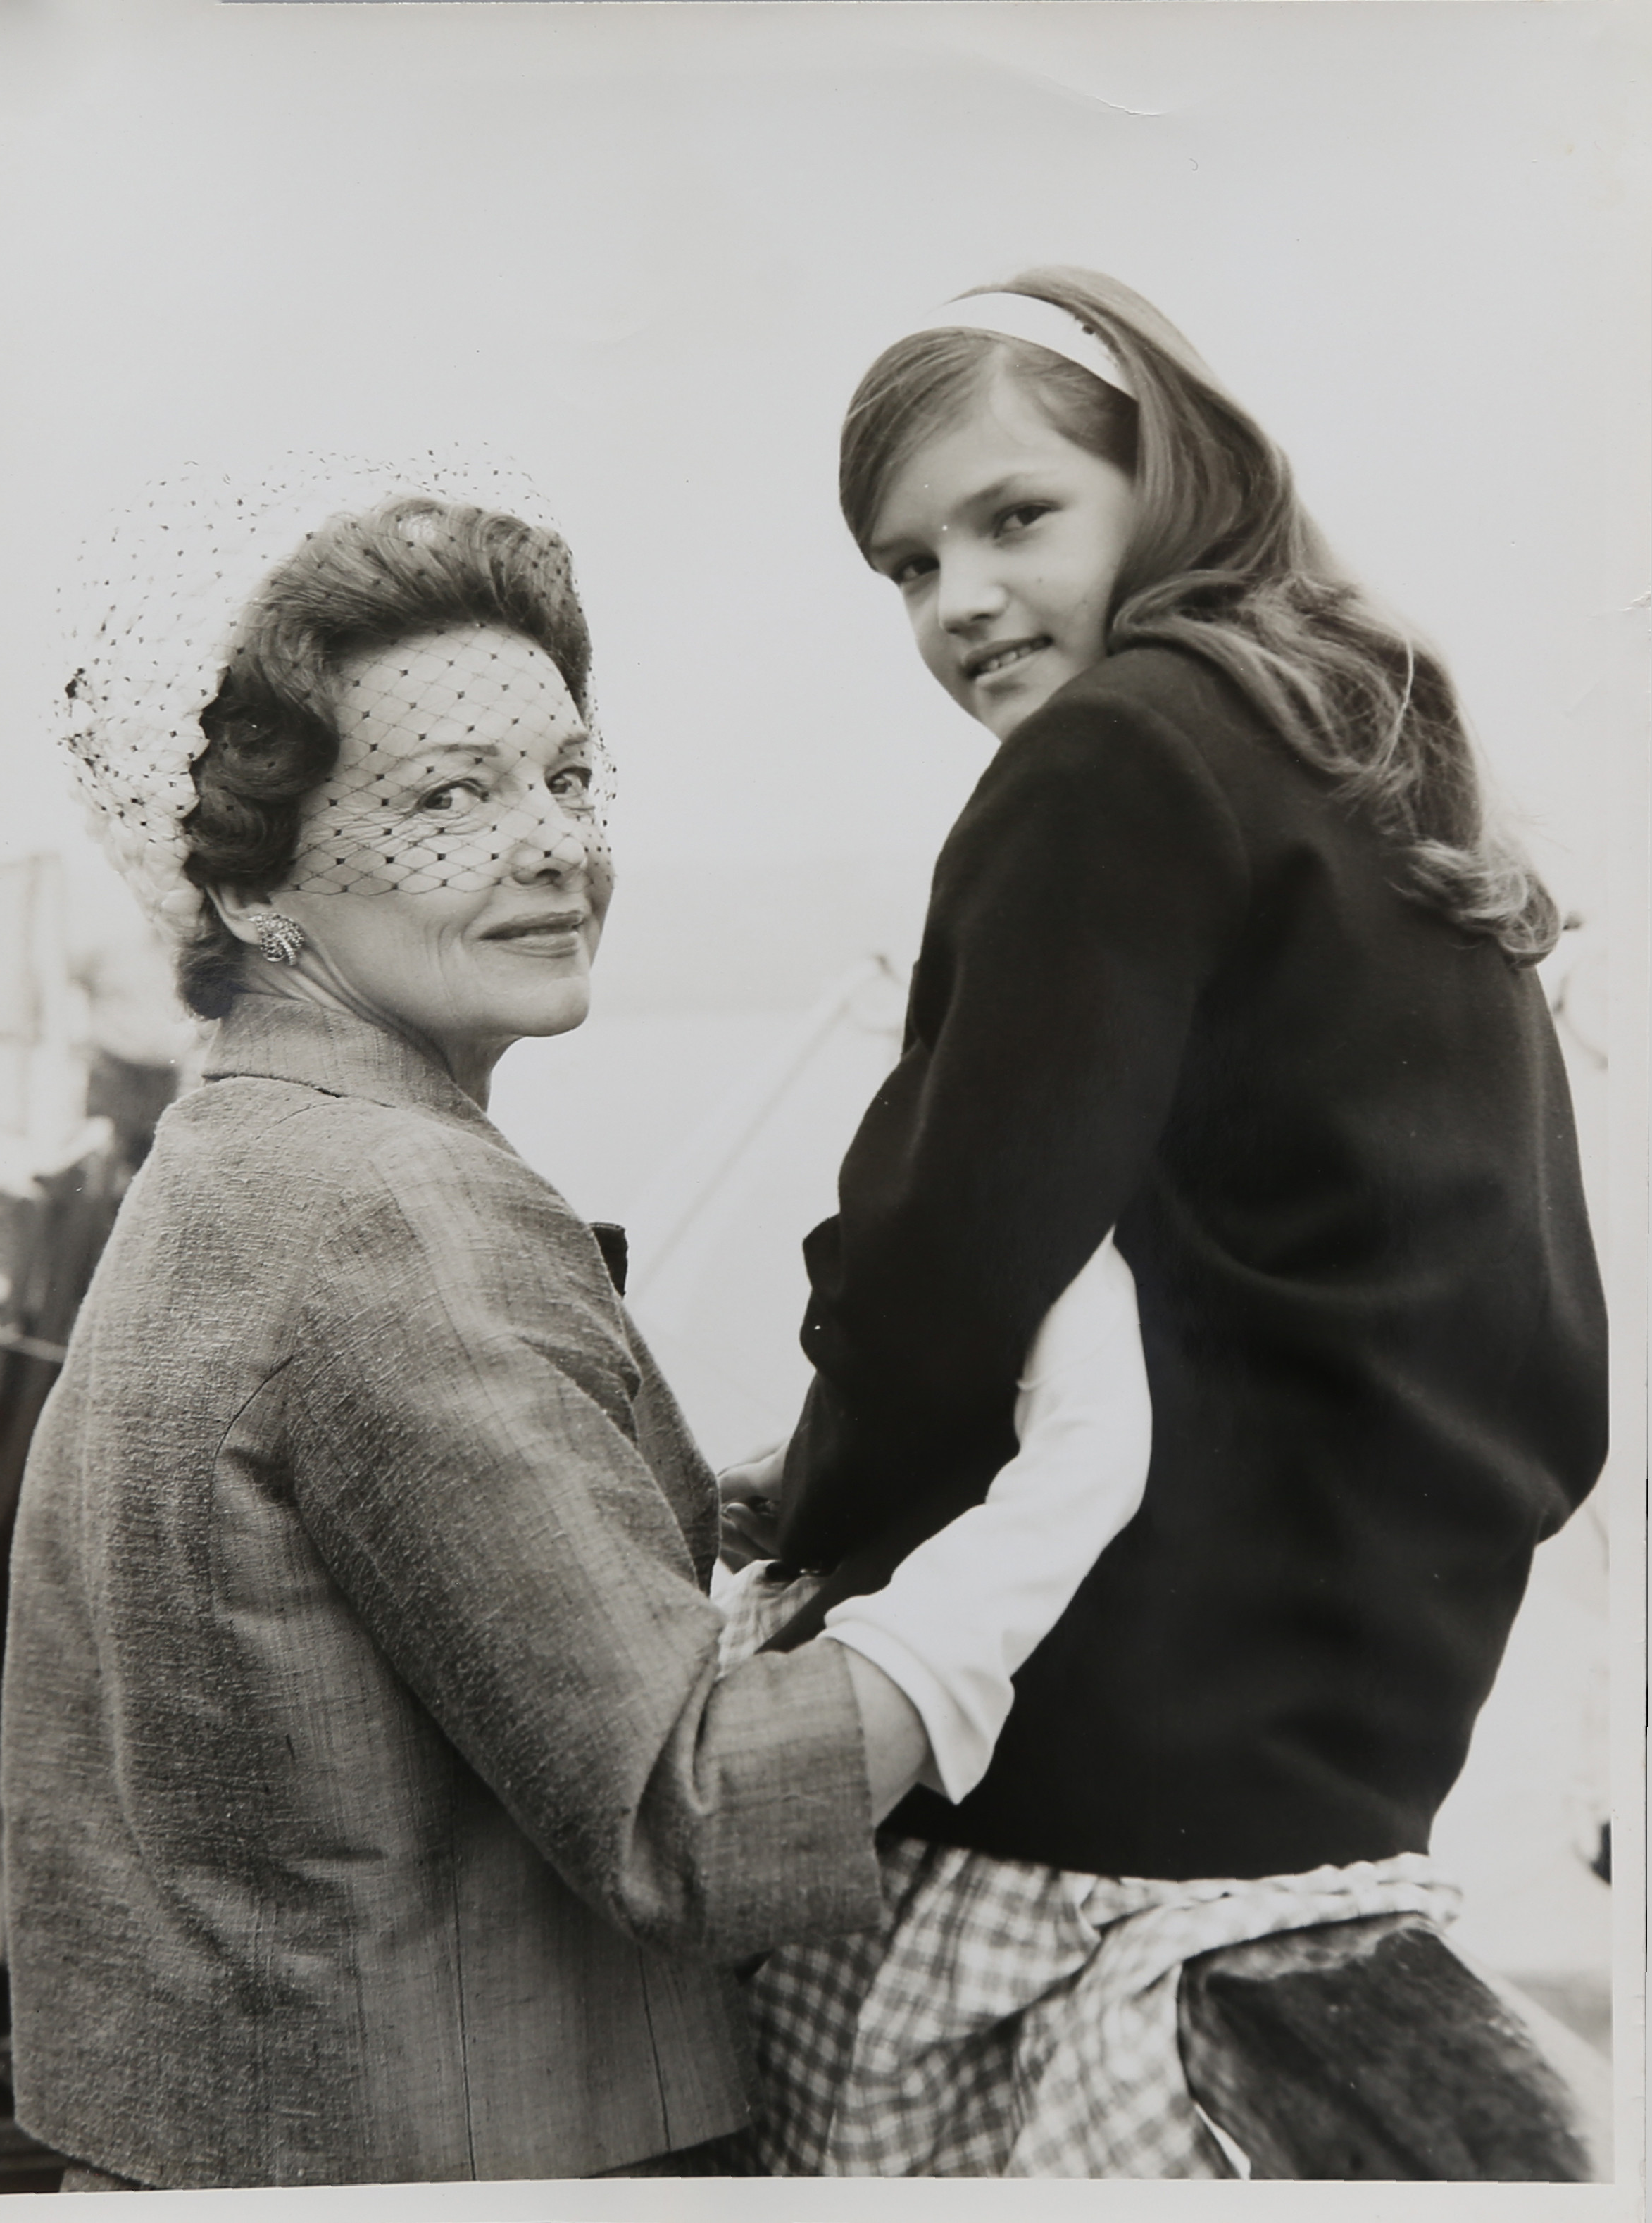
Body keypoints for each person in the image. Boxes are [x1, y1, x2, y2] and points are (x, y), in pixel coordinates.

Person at [0, 451, 1151, 2188]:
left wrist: (741, 1504)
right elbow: (696, 1820)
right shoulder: (390, 1204)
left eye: (567, 775)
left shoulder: (235, 1157)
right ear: (248, 884)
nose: (553, 844)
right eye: (450, 798)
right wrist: (1068, 1491)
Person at [722, 273, 1609, 2177]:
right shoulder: (1375, 754)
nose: (956, 598)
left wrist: (802, 1525)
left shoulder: (1113, 754)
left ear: (1170, 478)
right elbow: (1545, 1337)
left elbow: (947, 1265)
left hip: (1110, 1764)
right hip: (1363, 1719)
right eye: (902, 563)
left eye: (1014, 515)